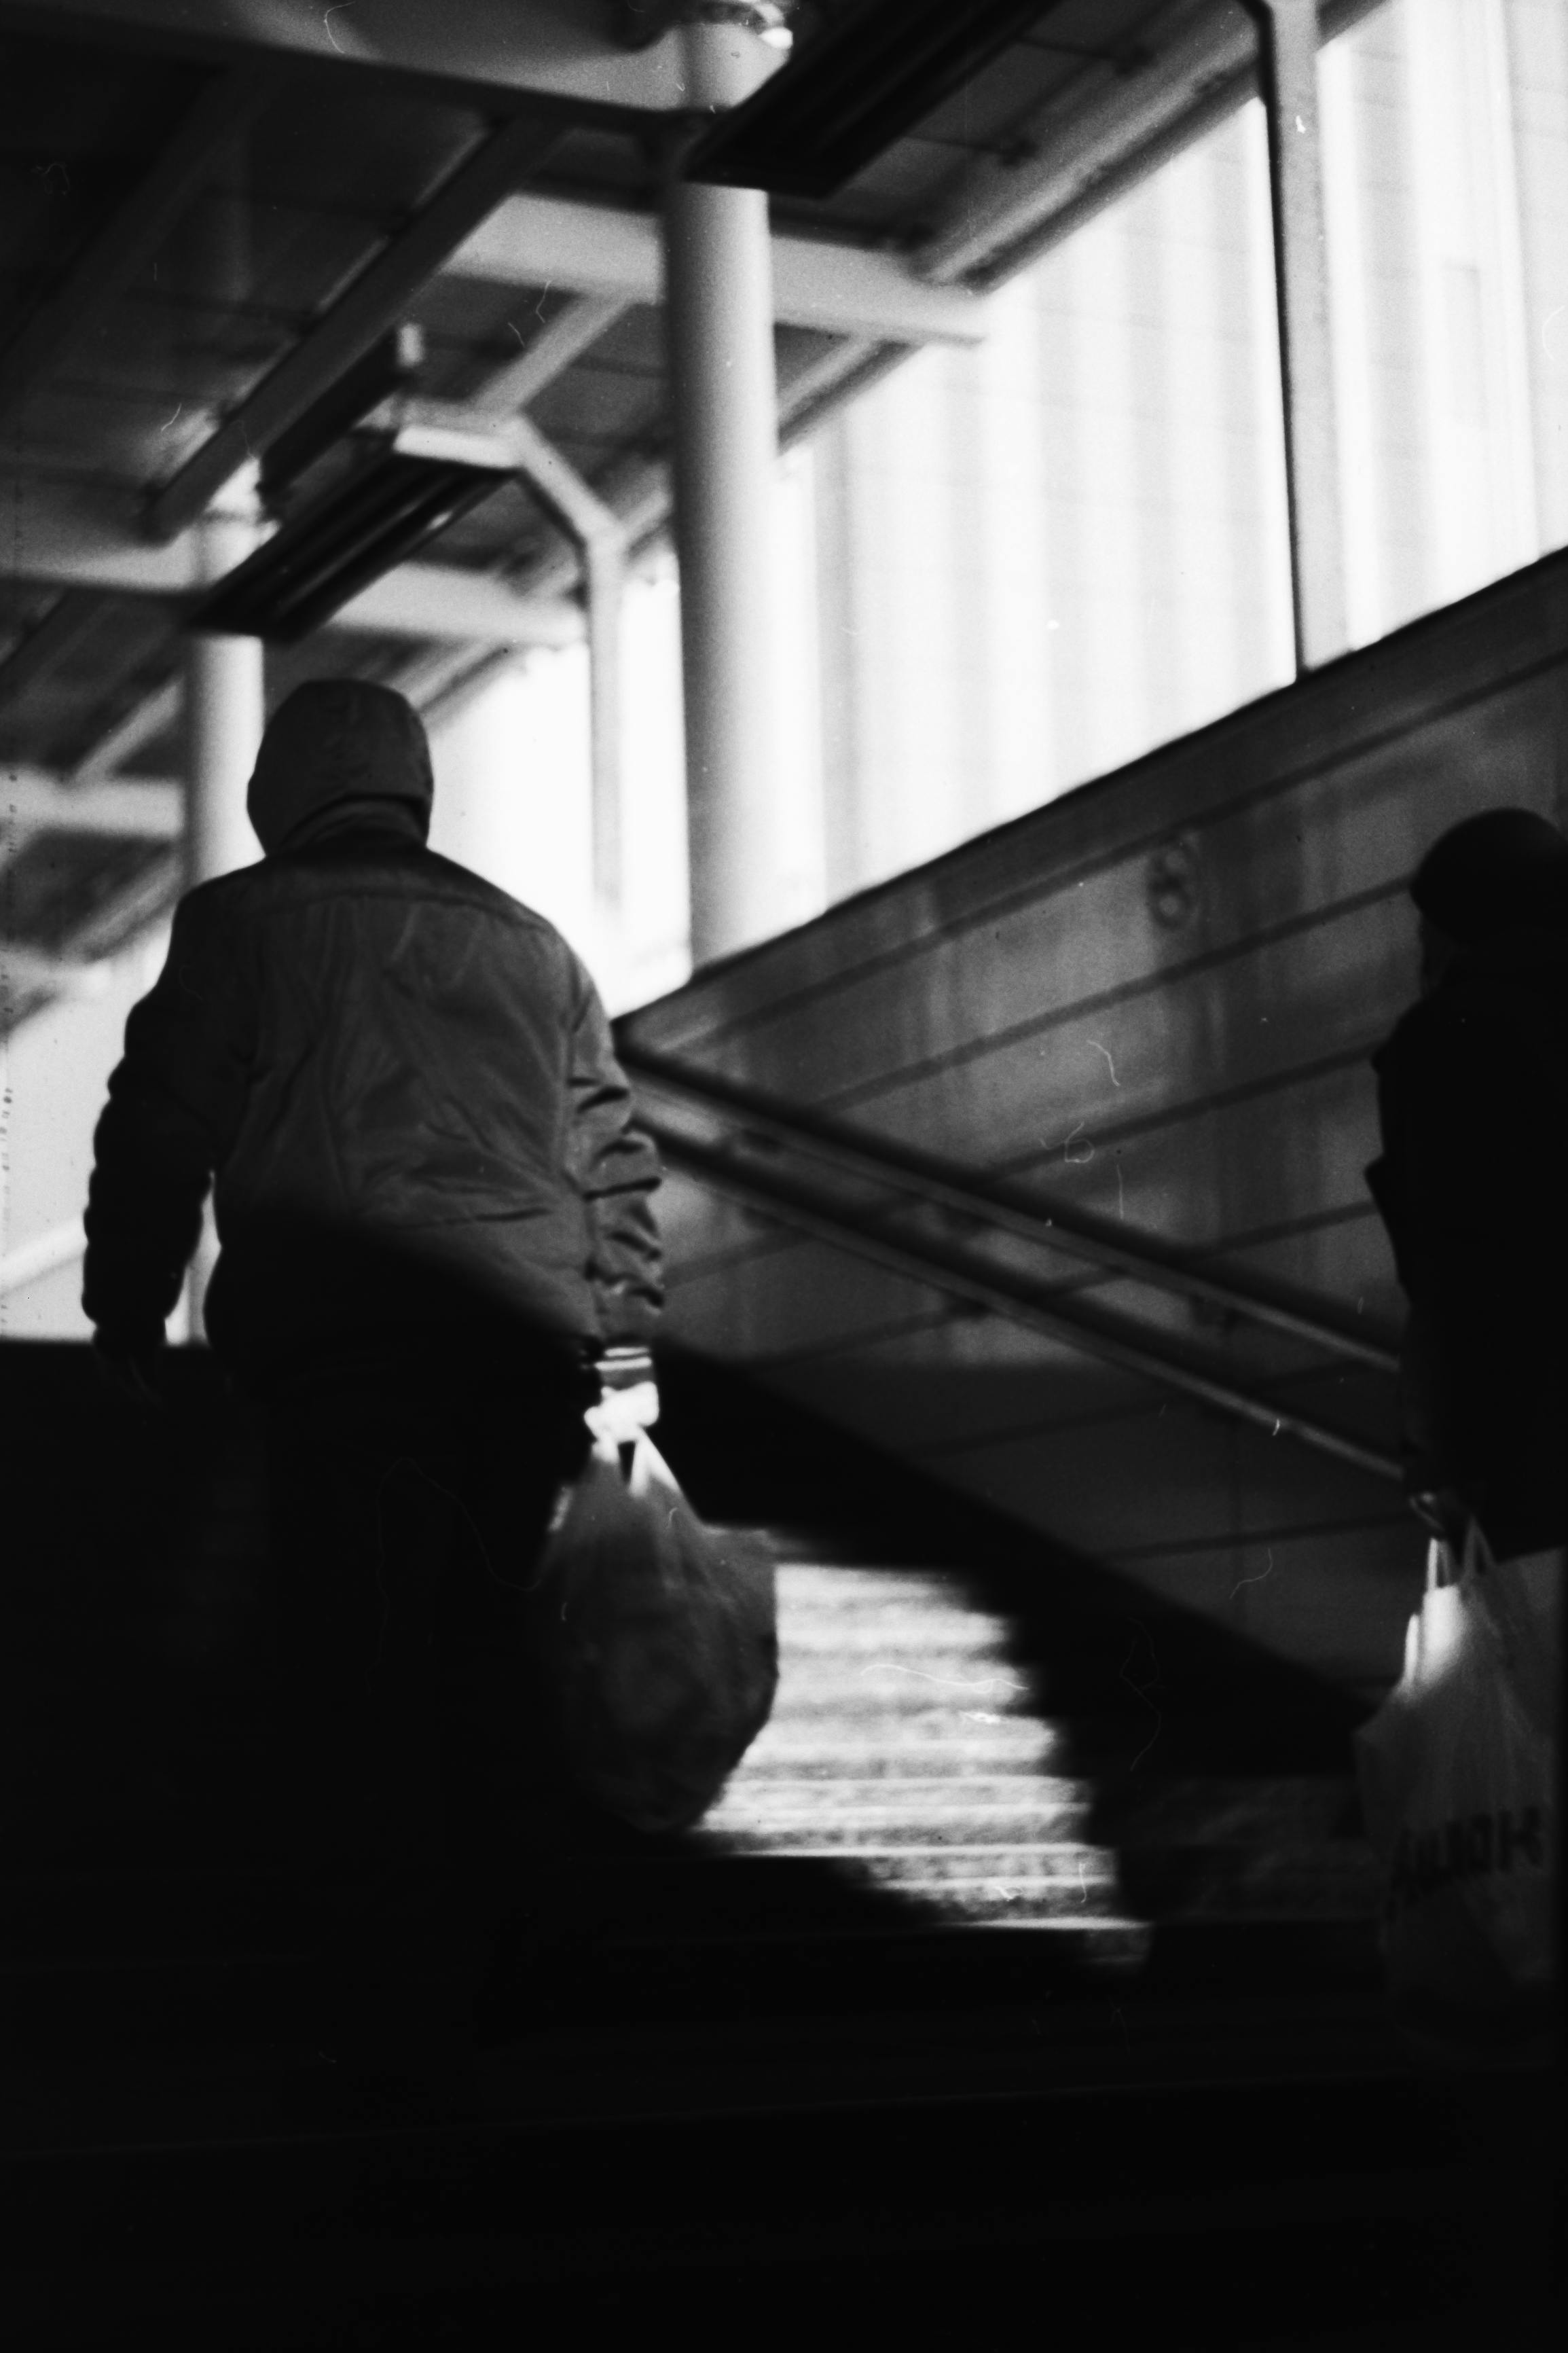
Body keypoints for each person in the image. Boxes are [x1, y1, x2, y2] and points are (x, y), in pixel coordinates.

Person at [81, 678, 663, 2094]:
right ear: (414, 788)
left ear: (279, 791)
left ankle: (395, 1996)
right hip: (518, 1351)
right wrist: (626, 1357)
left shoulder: (242, 922)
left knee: (360, 1651)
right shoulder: (531, 946)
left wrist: (127, 1306)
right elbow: (613, 1167)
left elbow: (162, 1119)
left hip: (342, 1343)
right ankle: (531, 1969)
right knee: (491, 1646)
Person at [1365, 805, 1567, 1562]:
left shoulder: (1447, 1037)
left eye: (1426, 929)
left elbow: (1454, 1261)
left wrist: (1437, 1453)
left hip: (1528, 1435)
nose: (1418, 949)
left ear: (1458, 924)